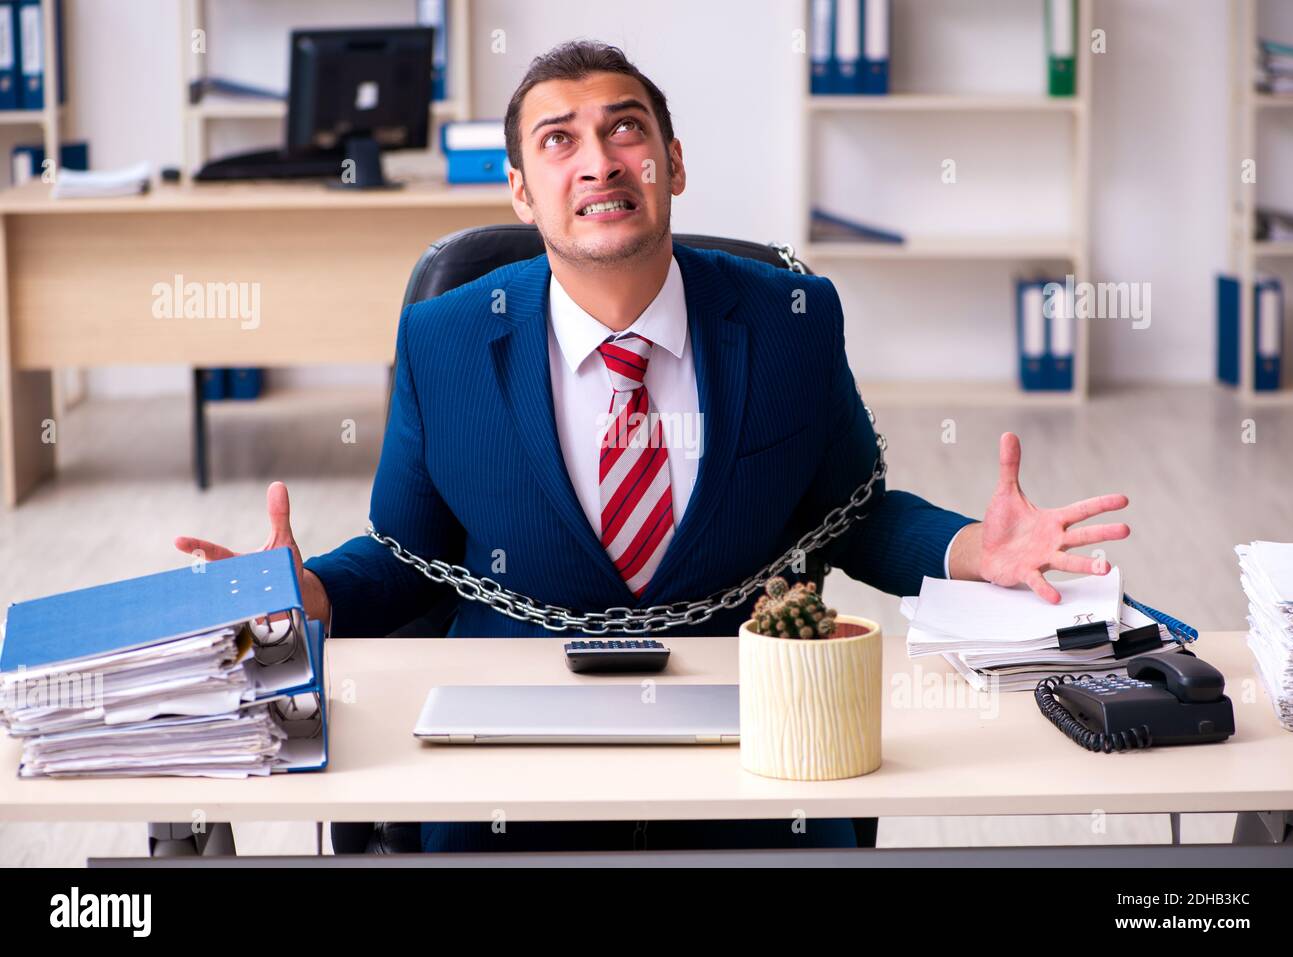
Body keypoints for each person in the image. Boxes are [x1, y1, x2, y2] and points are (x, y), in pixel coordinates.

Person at [176, 41, 1130, 853]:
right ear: (520, 190)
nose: (597, 161)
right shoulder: (447, 339)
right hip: (508, 761)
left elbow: (853, 513)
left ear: (672, 163)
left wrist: (974, 550)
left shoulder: (790, 320)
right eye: (559, 141)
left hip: (752, 748)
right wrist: (318, 595)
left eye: (624, 129)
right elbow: (413, 557)